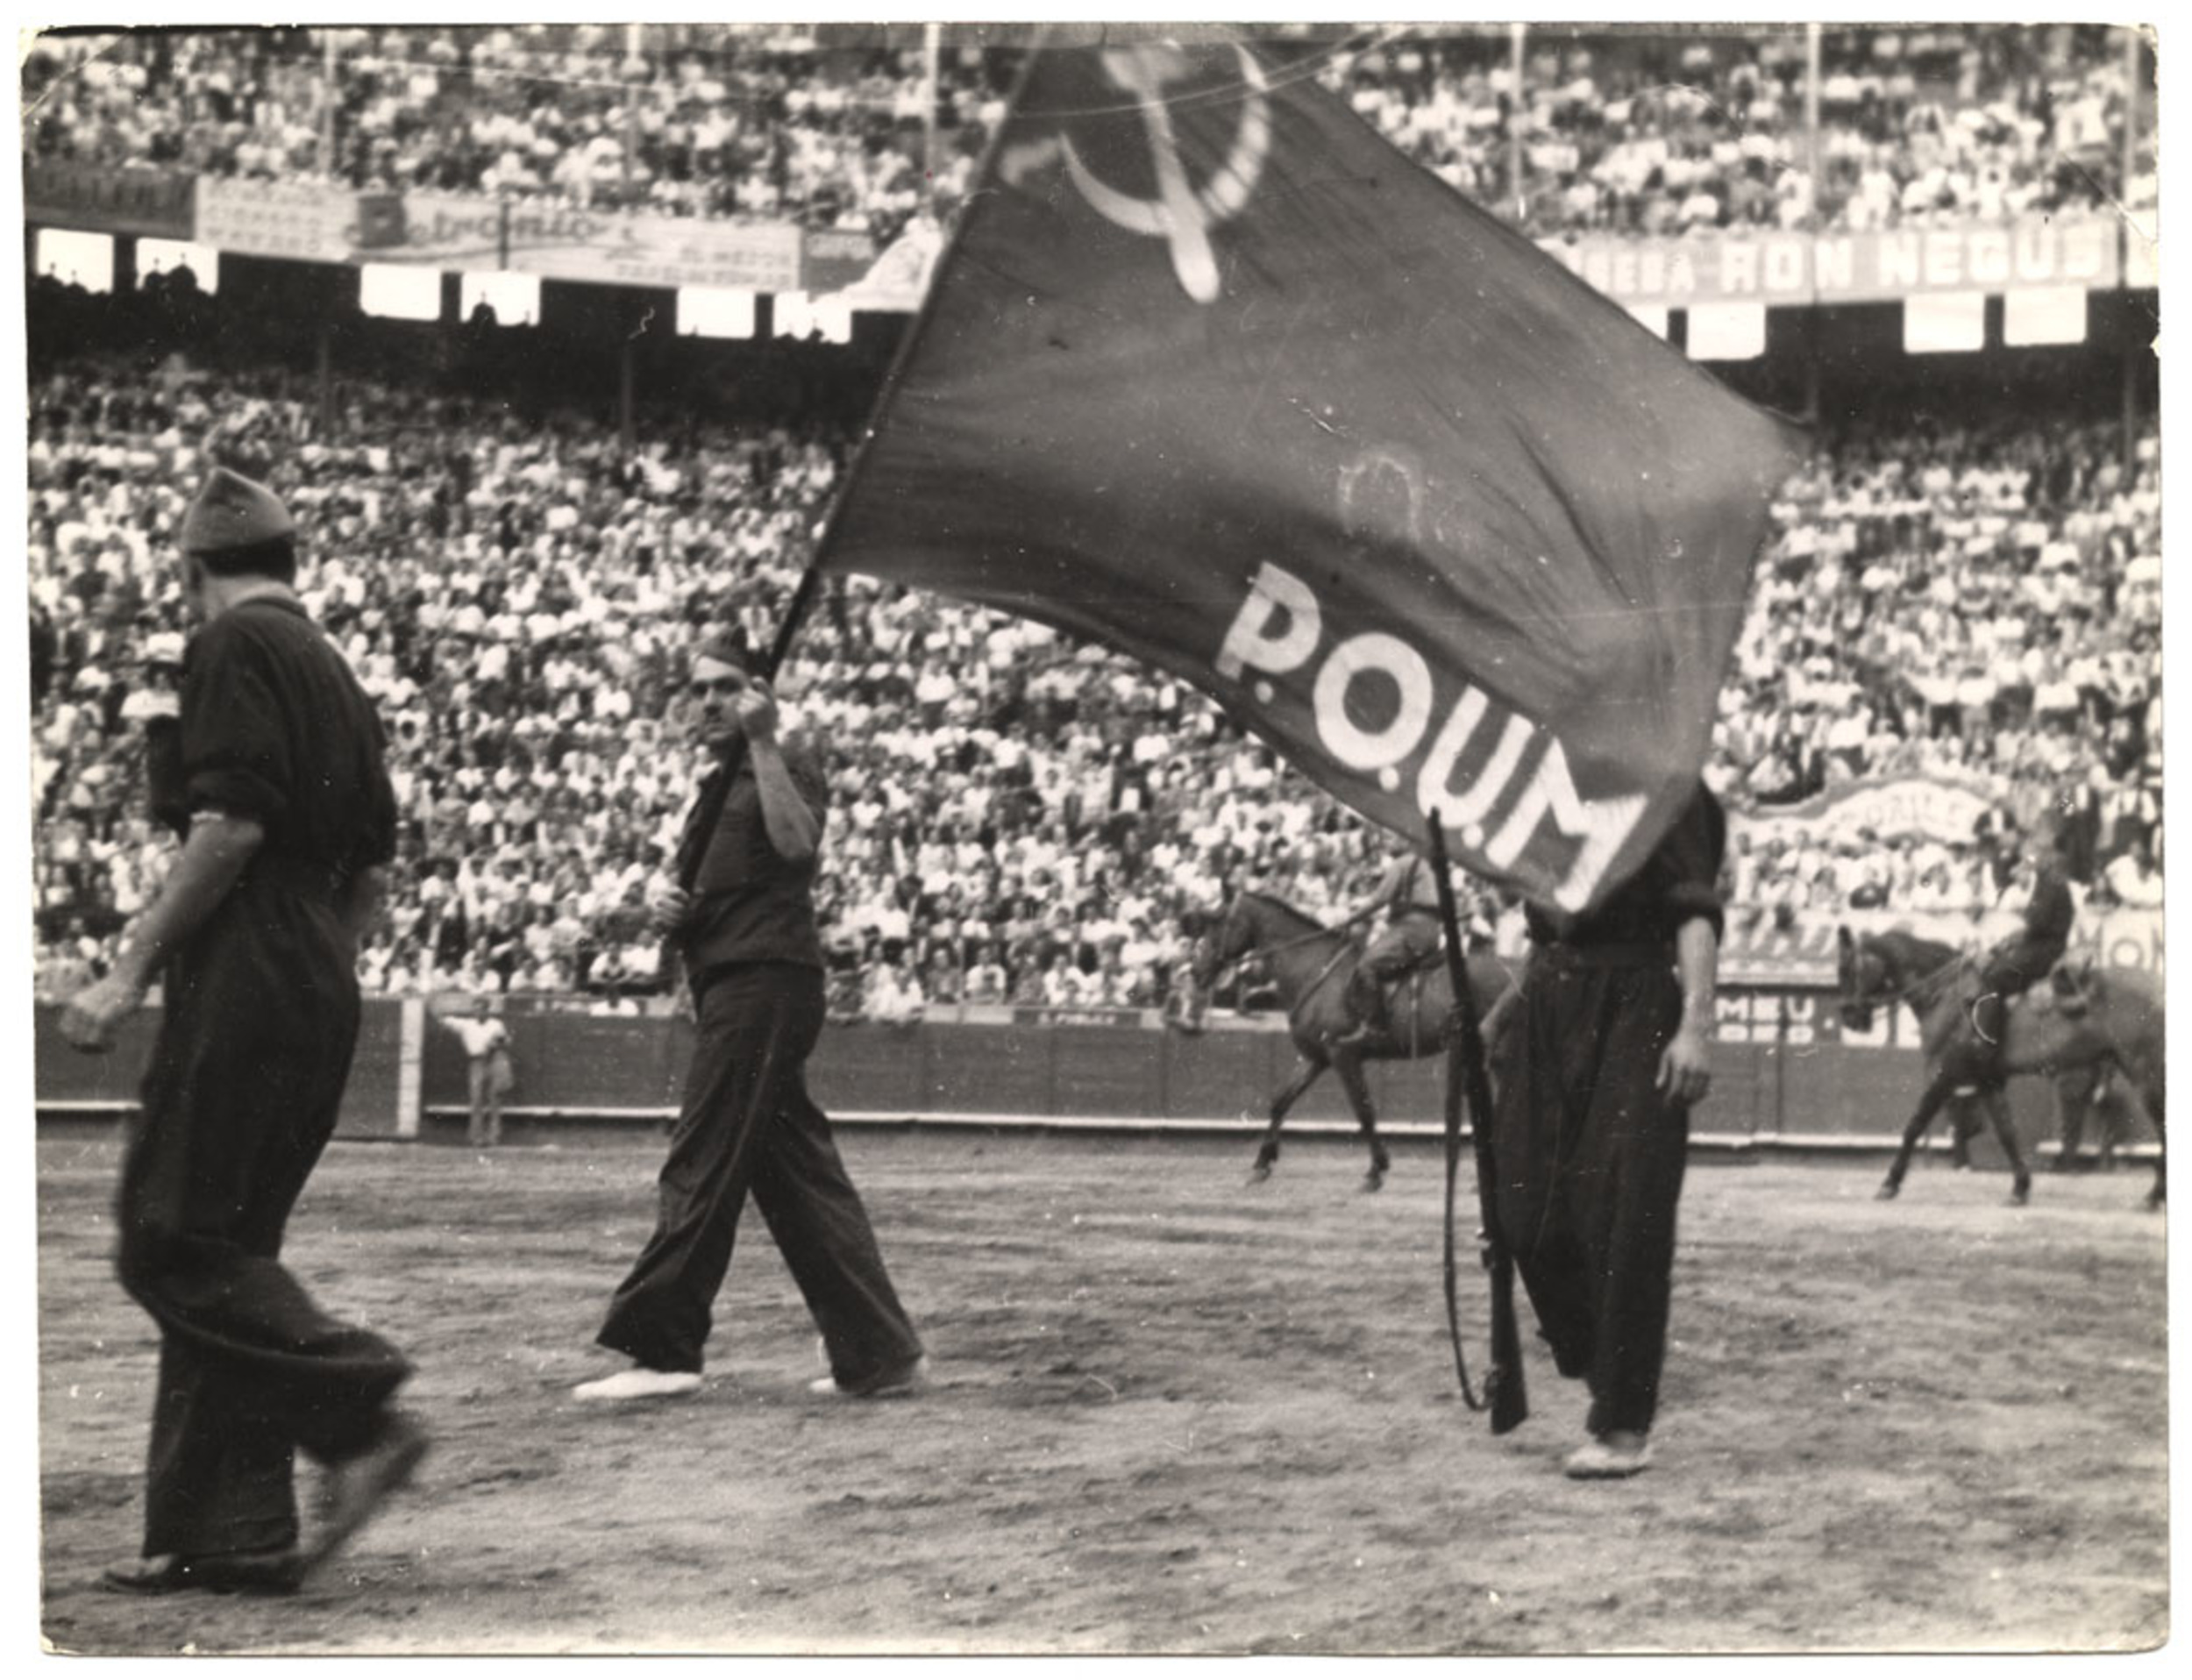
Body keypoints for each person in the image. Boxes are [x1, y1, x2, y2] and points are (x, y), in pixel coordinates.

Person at [57, 466, 426, 1595]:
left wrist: (128, 969)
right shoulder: (338, 674)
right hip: (317, 957)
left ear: (192, 569)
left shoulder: (228, 650)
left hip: (253, 954)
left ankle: (361, 1411)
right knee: (228, 1250)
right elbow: (371, 868)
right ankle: (231, 1530)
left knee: (172, 1239)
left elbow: (228, 829)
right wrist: (315, 964)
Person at [573, 631, 925, 1404]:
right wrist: (675, 908)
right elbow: (732, 888)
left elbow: (798, 850)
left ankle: (663, 1348)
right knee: (795, 1175)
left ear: (761, 696)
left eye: (726, 687)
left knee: (702, 1157)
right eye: (699, 689)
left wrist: (765, 742)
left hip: (761, 986)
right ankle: (879, 1351)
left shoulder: (781, 759)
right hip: (742, 979)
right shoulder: (716, 786)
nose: (708, 703)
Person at [1487, 782, 1726, 1480]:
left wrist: (1694, 1027)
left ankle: (1623, 1423)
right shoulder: (1549, 778)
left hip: (1637, 1004)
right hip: (1549, 1005)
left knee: (1625, 1213)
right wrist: (1502, 1017)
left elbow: (1694, 917)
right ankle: (1605, 1362)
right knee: (1522, 1210)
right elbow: (1545, 941)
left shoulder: (1675, 789)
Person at [1971, 822, 2081, 1066]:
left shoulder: (2051, 883)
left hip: (2046, 950)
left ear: (2045, 856)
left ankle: (1988, 1048)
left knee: (1995, 977)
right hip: (2039, 945)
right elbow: (2033, 924)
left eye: (2033, 855)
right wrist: (2008, 942)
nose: (2029, 860)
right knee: (1995, 967)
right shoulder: (2044, 882)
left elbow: (2037, 924)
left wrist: (2012, 940)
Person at [1335, 845, 1445, 1047]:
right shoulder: (1432, 865)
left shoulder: (1403, 863)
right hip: (1432, 930)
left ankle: (1375, 1026)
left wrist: (1350, 919)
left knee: (1366, 965)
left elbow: (1380, 899)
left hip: (1412, 929)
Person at [442, 995, 516, 1147]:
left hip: (494, 1060)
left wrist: (496, 1044)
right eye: (475, 1010)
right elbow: (444, 1020)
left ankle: (494, 1136)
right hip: (476, 1062)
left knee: (494, 1100)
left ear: (487, 1011)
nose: (478, 1013)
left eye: (481, 1010)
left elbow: (506, 1041)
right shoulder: (466, 1024)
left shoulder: (496, 1024)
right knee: (476, 1100)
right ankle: (476, 1137)